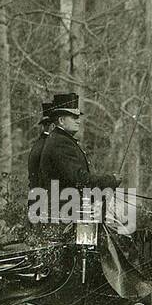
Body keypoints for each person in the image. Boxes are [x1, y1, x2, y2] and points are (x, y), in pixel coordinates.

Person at [35, 91, 120, 222]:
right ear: (61, 120)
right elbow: (80, 178)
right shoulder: (60, 142)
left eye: (78, 117)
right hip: (66, 214)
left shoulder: (62, 140)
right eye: (74, 117)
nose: (78, 121)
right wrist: (110, 180)